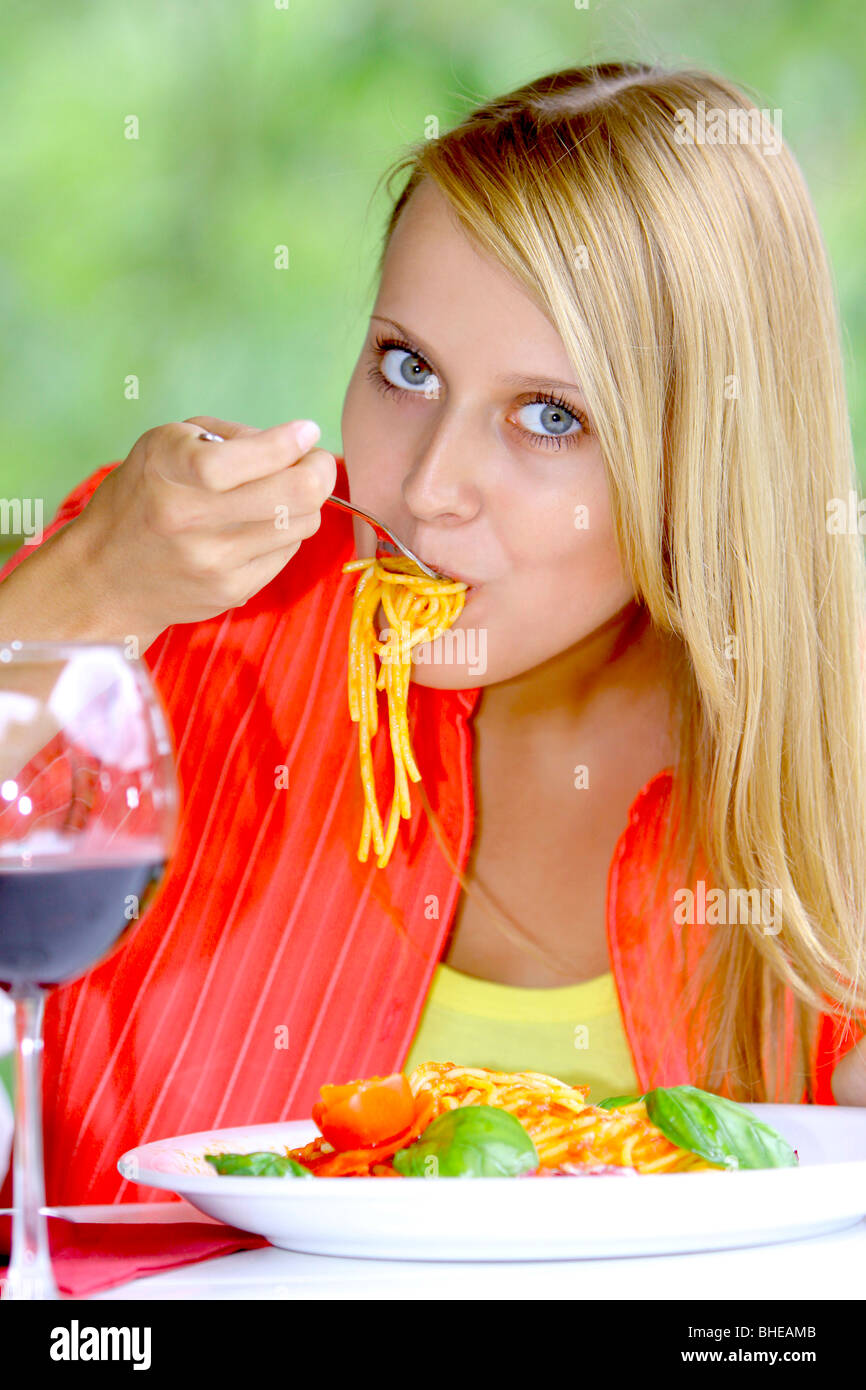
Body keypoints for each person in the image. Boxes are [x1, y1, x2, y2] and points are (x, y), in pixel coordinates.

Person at [1, 61, 865, 1208]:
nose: (427, 486)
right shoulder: (182, 608)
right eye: (406, 368)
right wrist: (84, 591)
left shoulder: (829, 759)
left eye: (548, 417)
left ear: (702, 459)